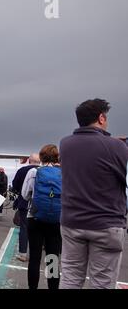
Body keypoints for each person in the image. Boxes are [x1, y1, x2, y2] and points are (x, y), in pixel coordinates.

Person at [59, 98, 127, 289]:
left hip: (72, 222)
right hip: (107, 224)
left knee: (70, 276)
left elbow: (91, 150)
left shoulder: (65, 144)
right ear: (101, 118)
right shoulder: (118, 148)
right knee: (102, 282)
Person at [22, 144, 62, 290]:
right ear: (57, 157)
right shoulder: (63, 173)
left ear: (41, 157)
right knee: (53, 257)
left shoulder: (34, 172)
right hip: (56, 220)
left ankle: (33, 287)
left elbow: (25, 195)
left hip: (35, 217)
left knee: (34, 257)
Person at [12, 153, 41, 262]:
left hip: (24, 202)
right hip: (40, 204)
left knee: (24, 228)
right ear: (40, 161)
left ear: (29, 160)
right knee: (38, 230)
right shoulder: (43, 171)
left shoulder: (22, 171)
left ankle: (23, 253)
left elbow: (15, 186)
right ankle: (36, 254)